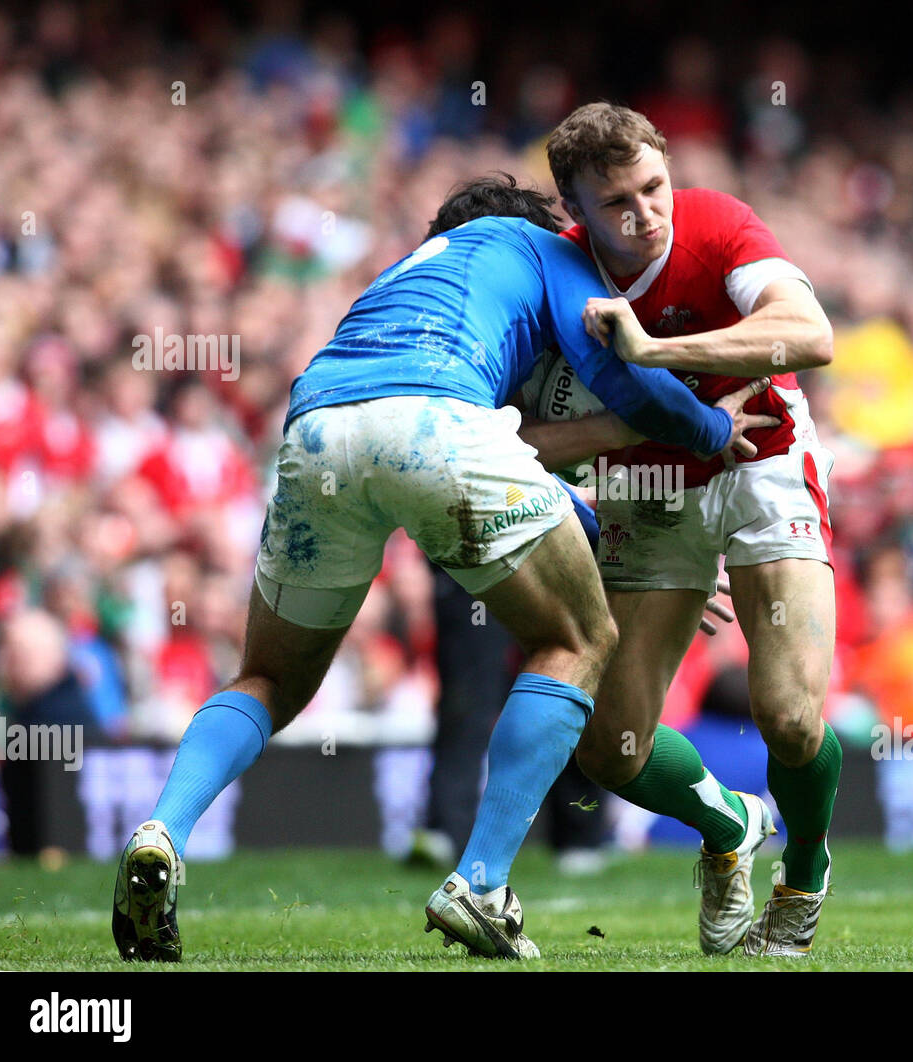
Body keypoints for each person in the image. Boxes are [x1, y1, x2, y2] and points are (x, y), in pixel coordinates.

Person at [110, 173, 776, 963]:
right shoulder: (538, 247)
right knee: (580, 638)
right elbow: (626, 383)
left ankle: (163, 830)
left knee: (267, 678)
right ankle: (482, 884)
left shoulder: (408, 272)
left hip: (319, 424)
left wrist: (592, 529)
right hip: (438, 423)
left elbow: (511, 458)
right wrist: (708, 429)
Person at [526, 103, 841, 956]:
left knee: (791, 719)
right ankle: (732, 824)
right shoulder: (554, 274)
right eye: (618, 202)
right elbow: (522, 441)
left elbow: (811, 336)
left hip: (761, 464)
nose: (645, 213)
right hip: (648, 487)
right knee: (609, 747)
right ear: (576, 213)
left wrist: (654, 354)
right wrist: (635, 432)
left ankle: (804, 873)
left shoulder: (717, 225)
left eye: (653, 186)